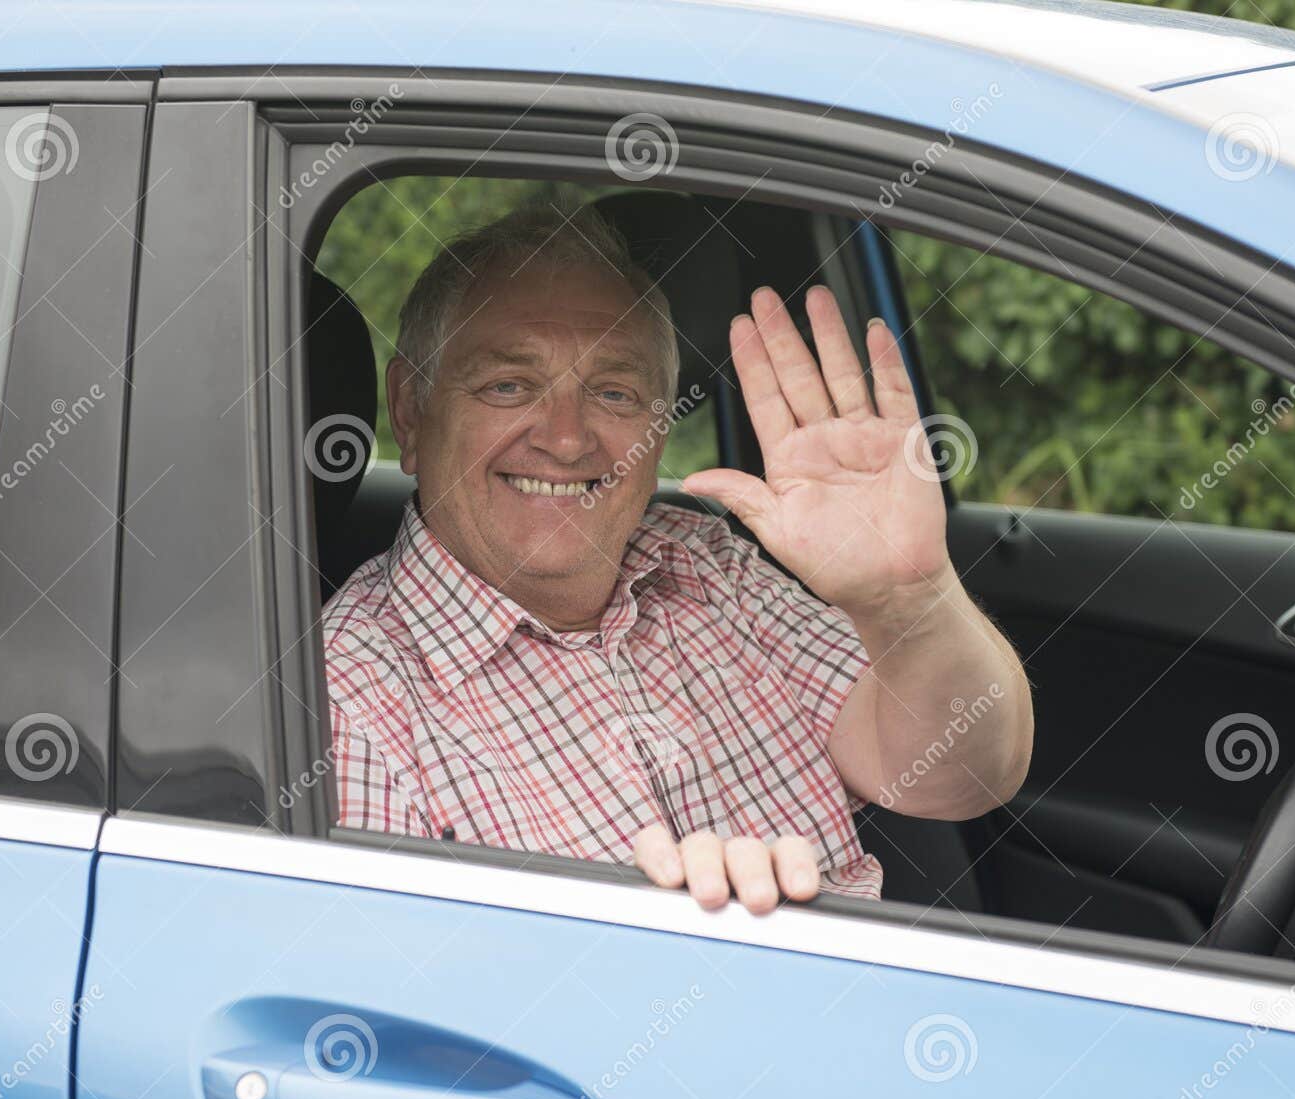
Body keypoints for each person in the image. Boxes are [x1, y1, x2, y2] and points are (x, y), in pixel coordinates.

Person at [323, 201, 1033, 912]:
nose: (567, 440)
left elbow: (963, 776)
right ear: (411, 411)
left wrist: (907, 597)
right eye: (508, 385)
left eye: (614, 392)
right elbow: (416, 1004)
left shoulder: (706, 562)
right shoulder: (349, 699)